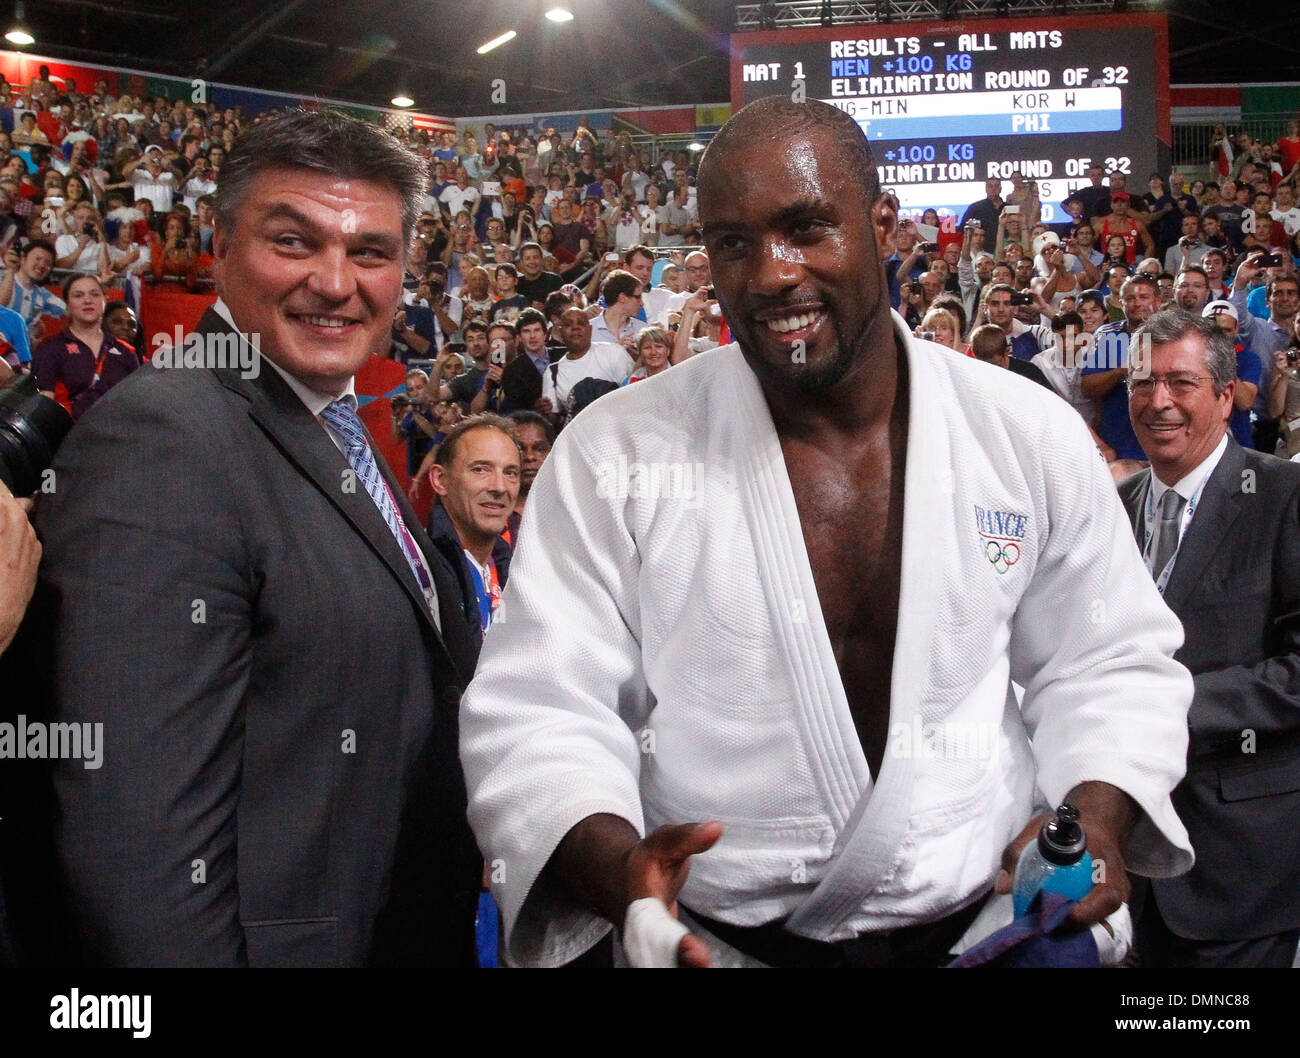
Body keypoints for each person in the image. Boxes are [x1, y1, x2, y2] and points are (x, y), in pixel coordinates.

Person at [458, 98, 1194, 969]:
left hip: (988, 927)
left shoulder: (1023, 433)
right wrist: (617, 867)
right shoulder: (615, 452)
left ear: (883, 223)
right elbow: (543, 705)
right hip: (714, 943)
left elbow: (1106, 659)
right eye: (733, 243)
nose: (771, 273)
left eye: (807, 228)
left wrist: (1092, 816)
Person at [24, 109, 482, 967]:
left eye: (371, 252)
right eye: (294, 242)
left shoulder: (330, 414)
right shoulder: (162, 438)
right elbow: (137, 851)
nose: (337, 282)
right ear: (221, 248)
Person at [1118, 308, 1300, 968]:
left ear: (1226, 397)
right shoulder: (1112, 508)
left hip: (1240, 871)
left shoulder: (1284, 496)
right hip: (1125, 870)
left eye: (1180, 383)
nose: (1158, 401)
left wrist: (1169, 702)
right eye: (1143, 382)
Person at [427, 414, 520, 641]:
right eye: (480, 469)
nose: (499, 487)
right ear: (440, 480)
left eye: (510, 473)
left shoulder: (510, 567)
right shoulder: (422, 574)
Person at [32, 275, 139, 421]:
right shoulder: (51, 348)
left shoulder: (126, 351)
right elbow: (43, 403)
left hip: (116, 436)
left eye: (94, 294)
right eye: (78, 295)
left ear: (104, 300)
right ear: (67, 304)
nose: (88, 300)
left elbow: (136, 402)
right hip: (68, 436)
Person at [1201, 300, 1262, 450]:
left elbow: (1245, 402)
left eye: (1226, 330)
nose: (1220, 336)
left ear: (1236, 330)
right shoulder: (1188, 357)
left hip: (1239, 443)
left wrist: (1222, 359)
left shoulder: (1248, 358)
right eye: (1214, 330)